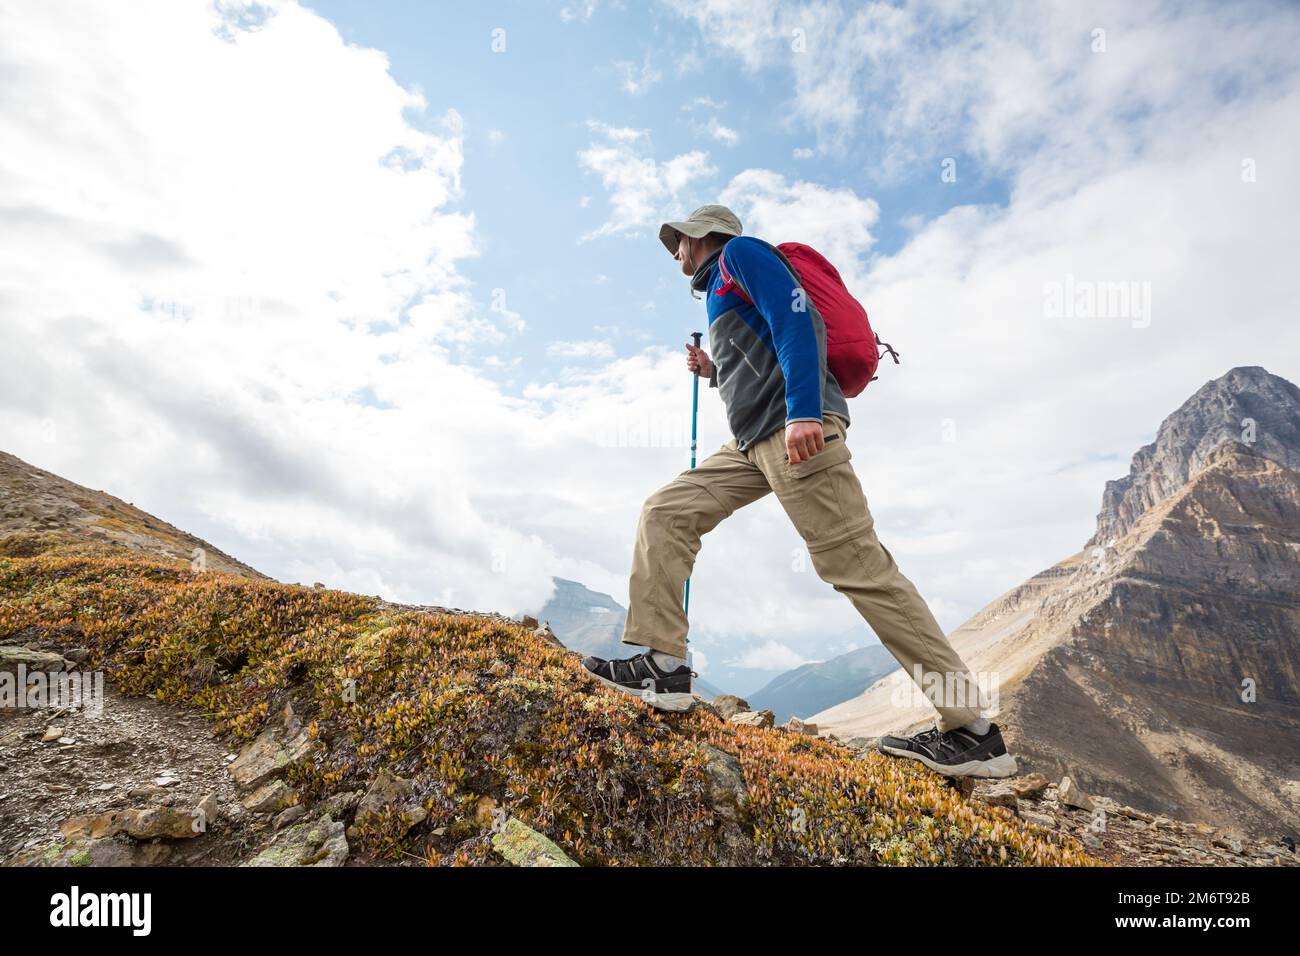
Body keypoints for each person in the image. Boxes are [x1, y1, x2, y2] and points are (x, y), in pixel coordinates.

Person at [581, 205, 1017, 778]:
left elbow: (798, 322)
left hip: (796, 432)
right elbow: (763, 350)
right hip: (751, 443)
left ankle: (973, 732)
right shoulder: (721, 287)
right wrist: (715, 371)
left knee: (860, 569)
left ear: (706, 236)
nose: (676, 252)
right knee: (666, 511)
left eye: (680, 240)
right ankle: (663, 665)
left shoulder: (743, 254)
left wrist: (805, 411)